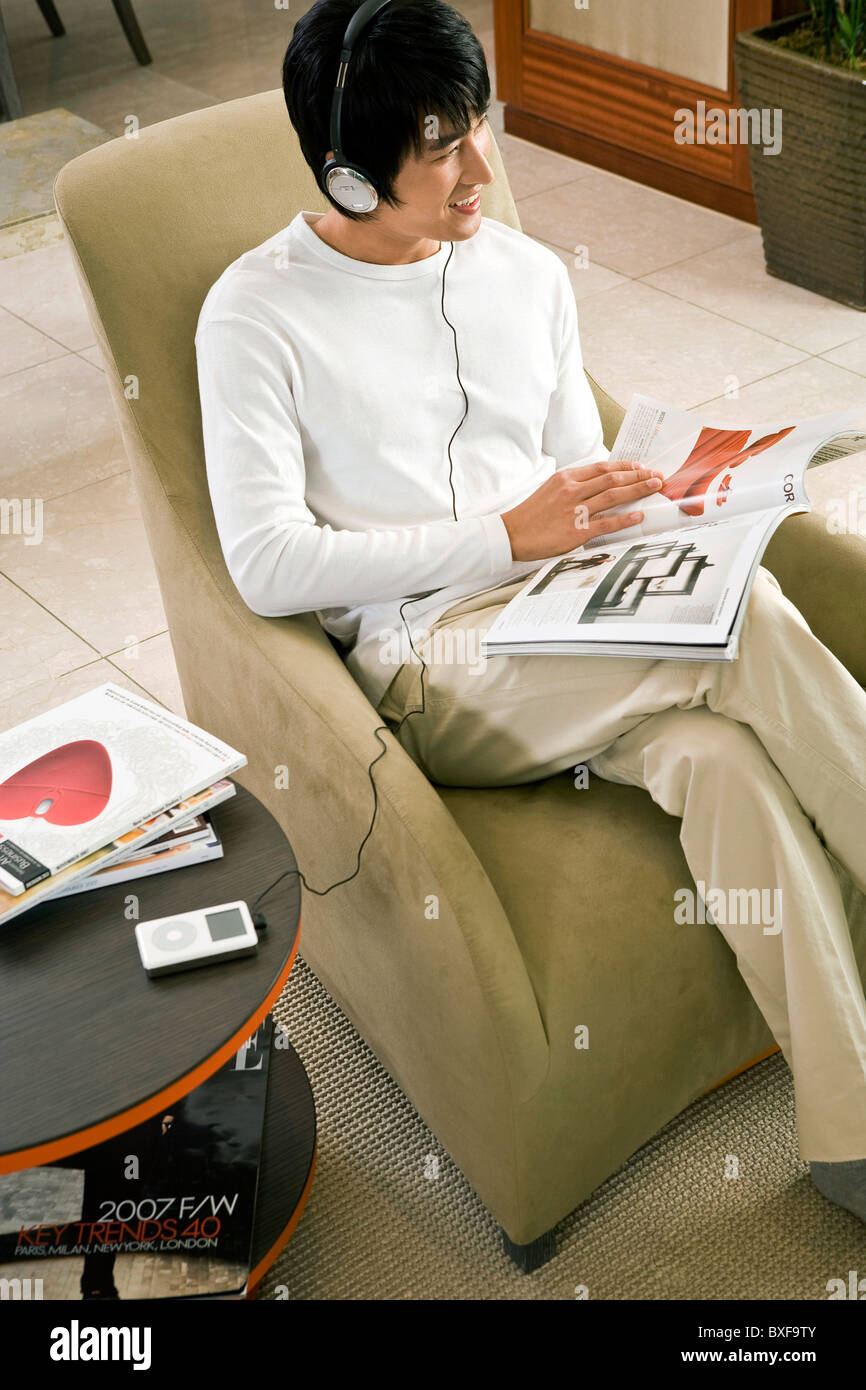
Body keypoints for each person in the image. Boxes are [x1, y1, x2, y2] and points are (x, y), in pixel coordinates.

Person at [195, 0, 866, 1228]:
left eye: (479, 125)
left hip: (572, 623)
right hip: (426, 665)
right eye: (443, 143)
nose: (482, 170)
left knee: (724, 764)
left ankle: (849, 1142)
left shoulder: (523, 272)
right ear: (349, 171)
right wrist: (506, 536)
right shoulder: (255, 314)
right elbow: (264, 563)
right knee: (754, 626)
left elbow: (570, 470)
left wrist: (667, 506)